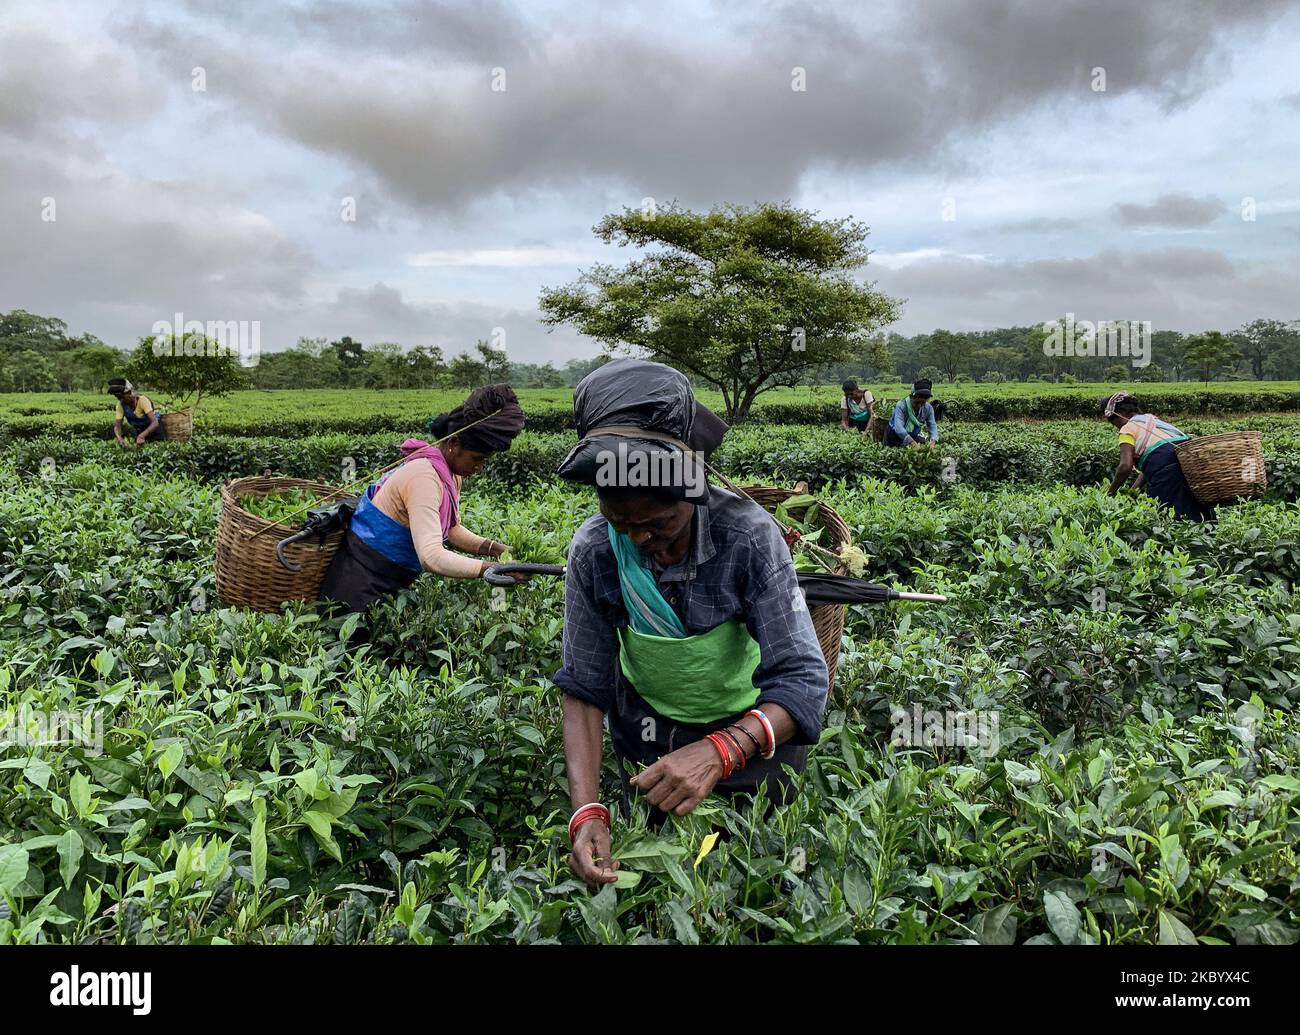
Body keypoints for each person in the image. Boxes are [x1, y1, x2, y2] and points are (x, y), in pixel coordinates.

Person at [552, 358, 829, 887]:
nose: (639, 542)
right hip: (652, 745)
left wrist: (724, 749)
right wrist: (586, 811)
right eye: (621, 523)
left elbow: (802, 681)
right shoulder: (593, 550)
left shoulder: (747, 536)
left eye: (658, 524)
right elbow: (584, 686)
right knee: (658, 879)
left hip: (756, 740)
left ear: (692, 493)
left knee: (751, 880)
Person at [318, 384, 528, 612]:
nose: (479, 467)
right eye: (476, 458)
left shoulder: (449, 474)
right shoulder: (423, 476)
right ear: (453, 443)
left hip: (393, 579)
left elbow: (450, 530)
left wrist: (496, 548)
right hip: (359, 583)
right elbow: (431, 556)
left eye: (485, 461)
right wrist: (491, 569)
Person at [1102, 391, 1214, 522]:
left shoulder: (1127, 429)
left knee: (1171, 519)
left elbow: (1125, 466)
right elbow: (1153, 463)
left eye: (1113, 422)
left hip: (1167, 477)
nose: (1116, 426)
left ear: (1118, 414)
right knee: (1199, 511)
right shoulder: (1155, 421)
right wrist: (1133, 491)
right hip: (1190, 467)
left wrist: (1111, 492)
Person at [107, 378, 165, 445]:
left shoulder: (142, 400)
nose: (121, 400)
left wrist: (141, 436)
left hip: (154, 430)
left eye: (123, 397)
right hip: (140, 430)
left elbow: (155, 423)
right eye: (119, 398)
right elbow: (117, 426)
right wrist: (119, 438)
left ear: (129, 393)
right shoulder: (120, 405)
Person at [883, 379, 939, 448]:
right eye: (917, 402)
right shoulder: (901, 406)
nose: (919, 405)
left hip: (912, 435)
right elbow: (899, 428)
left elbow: (932, 426)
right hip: (893, 436)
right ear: (911, 397)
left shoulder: (928, 408)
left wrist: (933, 442)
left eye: (923, 403)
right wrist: (912, 442)